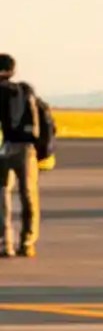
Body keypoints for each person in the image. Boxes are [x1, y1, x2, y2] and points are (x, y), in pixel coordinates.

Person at [0, 54, 40, 258]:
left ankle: (5, 242)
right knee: (28, 195)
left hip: (7, 147)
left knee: (3, 193)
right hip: (28, 149)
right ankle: (28, 241)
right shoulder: (26, 90)